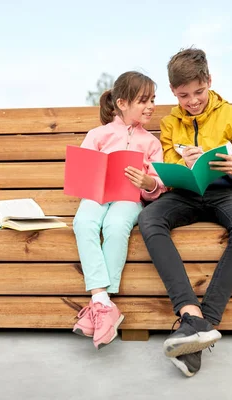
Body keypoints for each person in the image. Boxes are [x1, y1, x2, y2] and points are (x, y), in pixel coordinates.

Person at [138, 48, 232, 376]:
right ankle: (190, 312)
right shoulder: (169, 123)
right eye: (184, 95)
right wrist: (183, 163)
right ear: (173, 92)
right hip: (184, 193)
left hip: (225, 192)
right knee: (149, 218)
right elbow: (167, 163)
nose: (193, 101)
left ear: (209, 81)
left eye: (198, 92)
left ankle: (197, 322)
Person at [72, 71, 166, 349]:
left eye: (153, 100)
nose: (150, 106)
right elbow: (81, 174)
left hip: (129, 199)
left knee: (115, 226)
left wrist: (149, 183)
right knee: (84, 223)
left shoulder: (151, 142)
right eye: (143, 100)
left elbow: (159, 186)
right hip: (96, 196)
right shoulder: (97, 135)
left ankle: (99, 303)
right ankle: (102, 301)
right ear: (122, 103)